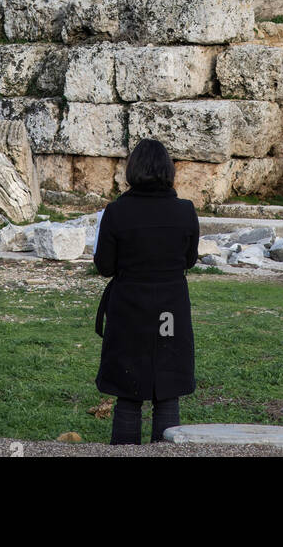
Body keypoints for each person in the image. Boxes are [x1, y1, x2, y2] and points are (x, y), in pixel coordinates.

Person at [93, 138, 199, 446]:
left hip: (130, 309)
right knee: (167, 390)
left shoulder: (116, 213)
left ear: (132, 170)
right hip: (170, 311)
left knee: (128, 390)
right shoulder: (184, 211)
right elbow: (189, 260)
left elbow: (105, 266)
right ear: (168, 170)